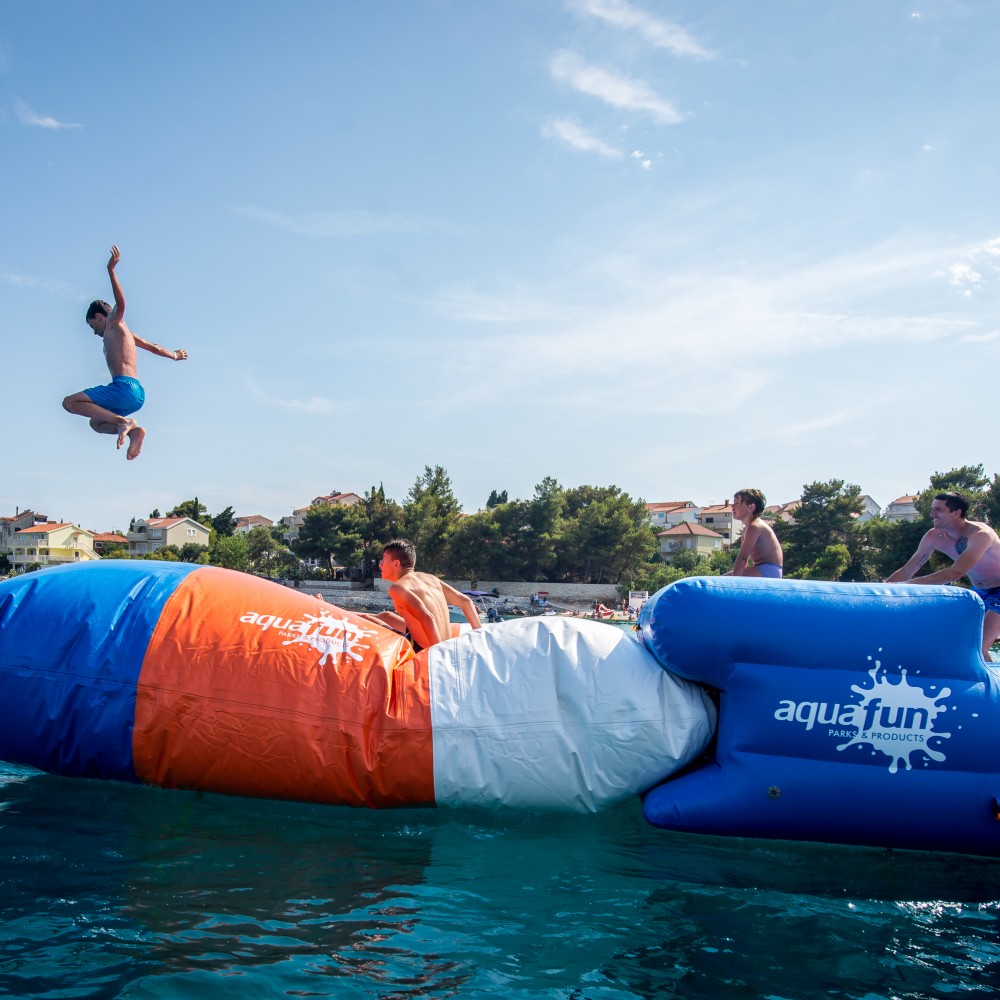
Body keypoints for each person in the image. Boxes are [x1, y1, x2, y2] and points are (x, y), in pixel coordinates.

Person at [62, 245, 187, 460]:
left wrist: (111, 270)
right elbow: (154, 347)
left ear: (100, 316)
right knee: (96, 423)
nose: (95, 333)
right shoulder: (127, 333)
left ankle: (124, 423)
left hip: (122, 388)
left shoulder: (113, 322)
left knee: (69, 403)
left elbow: (121, 304)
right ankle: (134, 432)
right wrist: (174, 355)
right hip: (138, 394)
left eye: (93, 326)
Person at [887, 491, 1000, 659]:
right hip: (979, 591)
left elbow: (956, 572)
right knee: (958, 642)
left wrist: (907, 586)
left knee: (977, 645)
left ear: (956, 513)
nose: (932, 513)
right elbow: (907, 570)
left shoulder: (980, 535)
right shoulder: (933, 536)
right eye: (932, 509)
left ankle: (992, 685)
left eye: (938, 509)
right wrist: (883, 590)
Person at [359, 539, 482, 652]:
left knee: (369, 619)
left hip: (423, 648)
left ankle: (343, 616)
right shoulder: (431, 578)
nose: (380, 564)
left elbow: (427, 617)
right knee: (386, 616)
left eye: (384, 559)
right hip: (444, 640)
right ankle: (345, 612)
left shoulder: (398, 588)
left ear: (396, 564)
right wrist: (481, 637)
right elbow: (466, 602)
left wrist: (439, 653)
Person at [731, 488, 783, 578]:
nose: (732, 506)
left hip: (770, 571)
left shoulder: (755, 526)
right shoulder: (746, 530)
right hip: (761, 569)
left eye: (737, 502)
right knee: (724, 577)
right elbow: (744, 562)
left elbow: (742, 558)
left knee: (723, 580)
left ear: (751, 507)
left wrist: (733, 583)